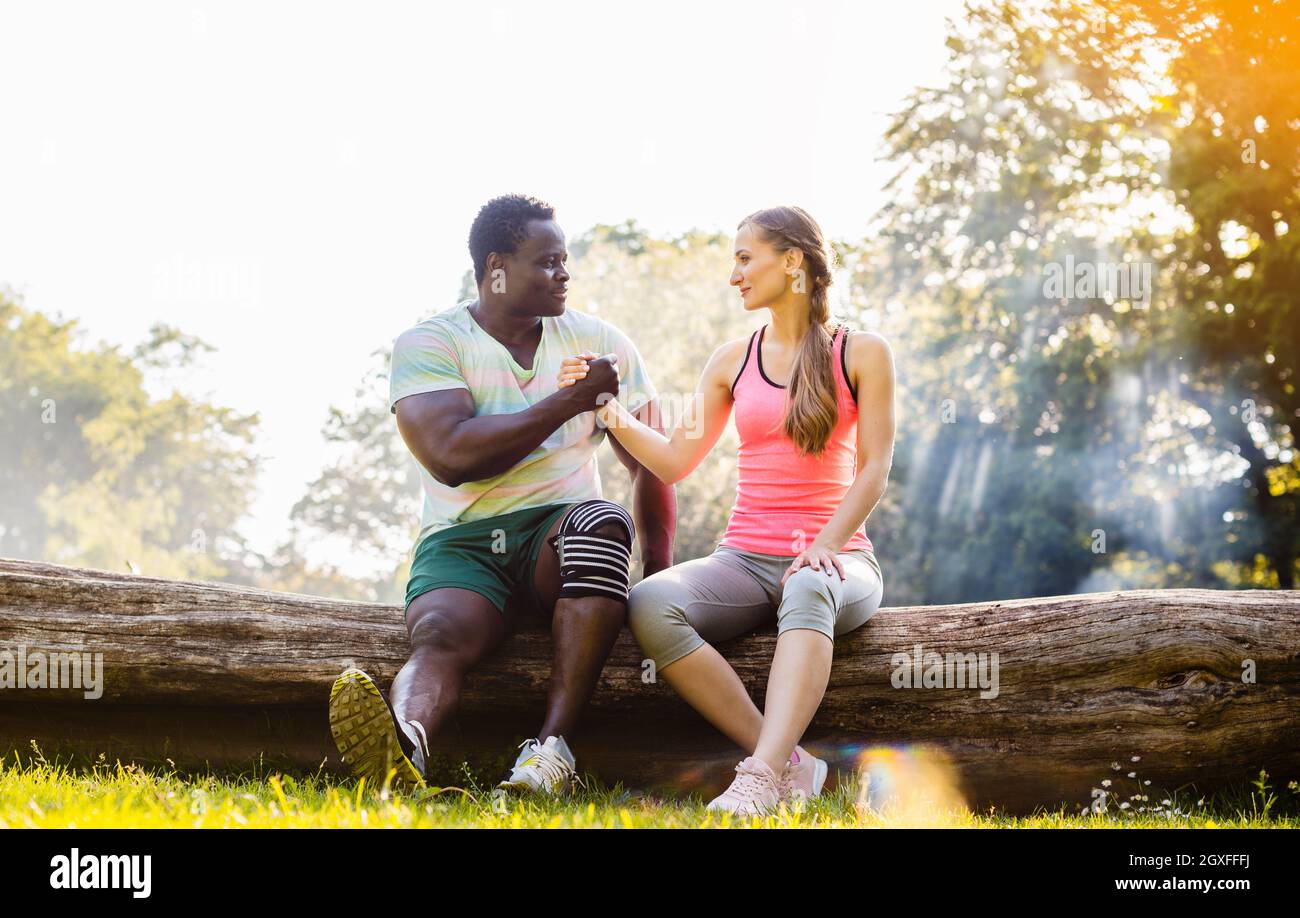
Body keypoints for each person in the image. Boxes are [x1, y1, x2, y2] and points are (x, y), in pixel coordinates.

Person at [329, 193, 675, 796]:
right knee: (439, 632)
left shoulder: (600, 341)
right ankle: (404, 746)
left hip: (558, 540)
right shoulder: (430, 343)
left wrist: (661, 577)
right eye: (546, 261)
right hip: (463, 542)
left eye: (565, 260)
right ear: (495, 269)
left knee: (600, 521)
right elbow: (453, 457)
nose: (563, 273)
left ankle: (550, 754)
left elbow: (652, 462)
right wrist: (570, 400)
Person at [557, 205, 894, 815]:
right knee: (652, 603)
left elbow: (874, 468)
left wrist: (825, 542)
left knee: (812, 585)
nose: (734, 275)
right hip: (744, 559)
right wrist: (604, 406)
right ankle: (794, 767)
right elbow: (673, 460)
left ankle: (759, 778)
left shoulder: (862, 352)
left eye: (745, 258)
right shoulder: (731, 360)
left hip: (841, 560)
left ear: (792, 261)